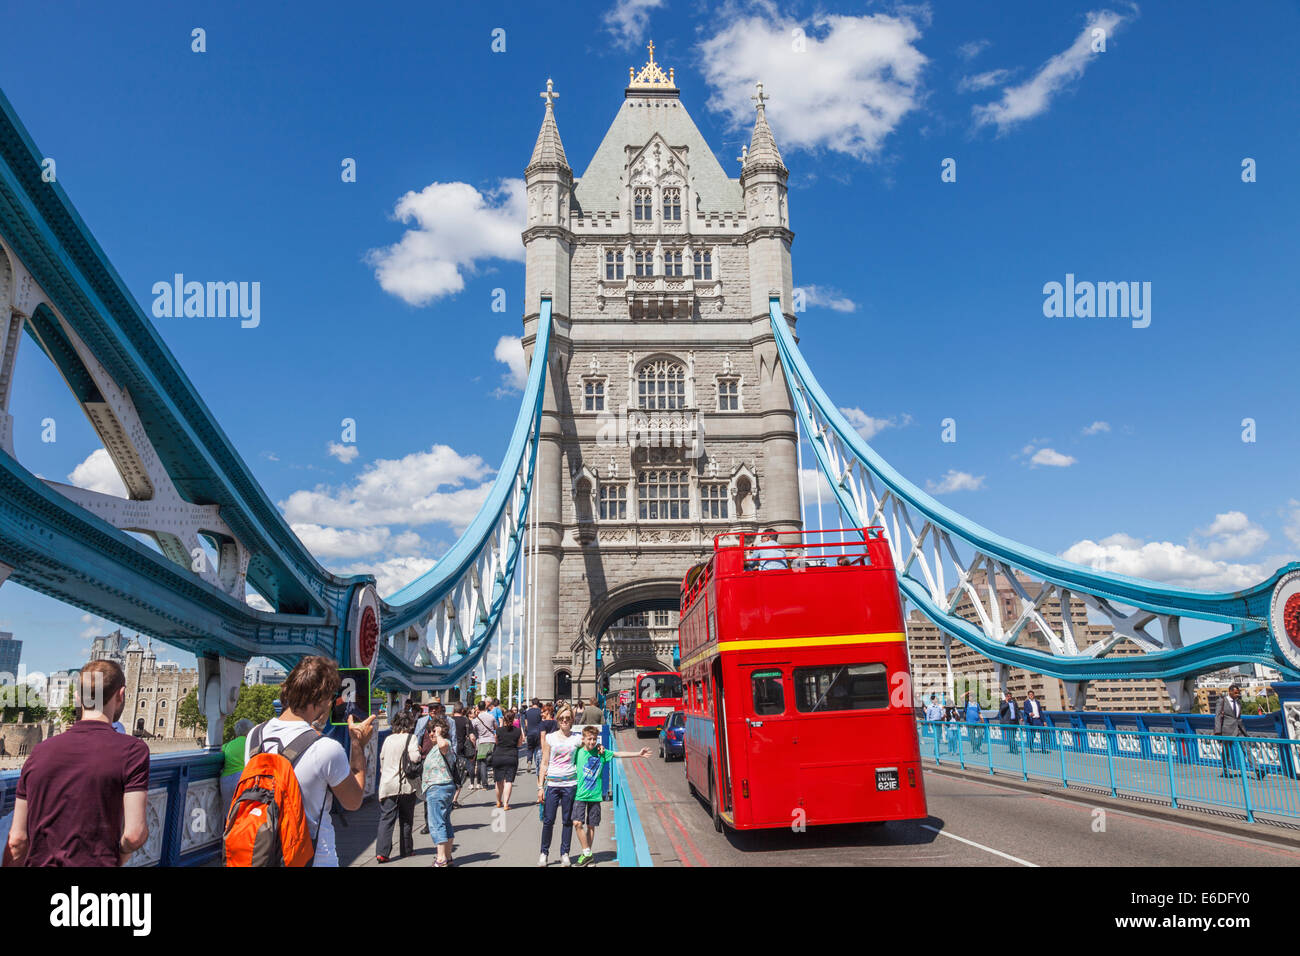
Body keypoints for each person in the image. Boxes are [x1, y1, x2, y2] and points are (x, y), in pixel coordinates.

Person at [7, 660, 150, 866]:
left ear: (77, 697)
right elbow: (134, 834)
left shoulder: (40, 751)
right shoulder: (133, 751)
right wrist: (119, 856)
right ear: (121, 695)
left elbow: (17, 840)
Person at [245, 655, 376, 867]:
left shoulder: (255, 736)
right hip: (312, 857)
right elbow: (353, 801)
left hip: (260, 852)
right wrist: (357, 745)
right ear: (323, 700)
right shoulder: (326, 748)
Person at [571, 724, 650, 866]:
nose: (592, 742)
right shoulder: (577, 751)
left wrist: (638, 754)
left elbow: (618, 754)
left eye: (594, 739)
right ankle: (588, 852)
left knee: (591, 826)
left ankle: (587, 856)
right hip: (580, 794)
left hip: (595, 796)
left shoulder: (601, 752)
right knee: (577, 823)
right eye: (589, 739)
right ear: (583, 739)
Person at [537, 707, 583, 866]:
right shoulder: (550, 738)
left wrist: (600, 748)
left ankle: (565, 853)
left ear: (572, 720)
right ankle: (544, 852)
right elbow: (544, 763)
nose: (565, 720)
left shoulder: (577, 739)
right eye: (562, 718)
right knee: (548, 820)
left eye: (568, 718)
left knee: (567, 821)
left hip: (570, 785)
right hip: (553, 784)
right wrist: (540, 787)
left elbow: (591, 747)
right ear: (557, 719)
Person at [376, 710, 422, 862]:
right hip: (405, 785)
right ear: (409, 723)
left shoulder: (388, 739)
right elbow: (415, 757)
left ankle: (382, 852)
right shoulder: (411, 737)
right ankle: (406, 849)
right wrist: (419, 753)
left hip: (387, 784)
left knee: (386, 819)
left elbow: (382, 759)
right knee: (406, 818)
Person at [420, 715, 457, 866]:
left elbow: (443, 747)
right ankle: (447, 856)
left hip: (438, 787)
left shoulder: (444, 743)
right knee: (444, 821)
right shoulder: (436, 747)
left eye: (432, 731)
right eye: (429, 731)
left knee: (437, 823)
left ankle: (441, 858)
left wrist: (439, 734)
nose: (430, 734)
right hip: (442, 787)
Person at [1215, 684, 1262, 779]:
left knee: (1247, 749)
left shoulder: (1238, 702)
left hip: (1240, 730)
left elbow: (1238, 717)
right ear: (1230, 691)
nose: (1237, 695)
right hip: (1227, 730)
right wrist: (1218, 732)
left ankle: (1258, 770)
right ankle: (1225, 770)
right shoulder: (1222, 701)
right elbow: (1218, 716)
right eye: (1235, 693)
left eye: (1238, 693)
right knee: (1226, 752)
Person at [220, 718, 256, 813]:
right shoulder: (252, 743)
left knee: (229, 812)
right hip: (243, 778)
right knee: (244, 812)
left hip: (226, 780)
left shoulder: (227, 745)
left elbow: (221, 754)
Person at [491, 710, 524, 809]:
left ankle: (498, 801)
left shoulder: (499, 730)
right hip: (511, 756)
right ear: (513, 719)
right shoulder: (517, 731)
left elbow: (496, 742)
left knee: (498, 780)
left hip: (498, 755)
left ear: (504, 719)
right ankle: (506, 804)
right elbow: (519, 744)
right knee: (509, 781)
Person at [450, 701, 474, 806]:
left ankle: (448, 798)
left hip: (449, 750)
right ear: (462, 710)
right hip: (461, 751)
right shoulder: (466, 721)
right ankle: (454, 799)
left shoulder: (448, 720)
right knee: (460, 775)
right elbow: (472, 737)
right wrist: (474, 749)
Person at [471, 702, 498, 790]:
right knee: (494, 762)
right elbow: (495, 727)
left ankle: (485, 784)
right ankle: (497, 780)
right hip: (492, 742)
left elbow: (472, 729)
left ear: (478, 708)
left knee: (483, 764)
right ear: (486, 707)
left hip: (482, 743)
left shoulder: (476, 719)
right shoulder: (491, 717)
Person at [523, 698, 543, 773]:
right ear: (538, 703)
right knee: (538, 748)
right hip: (538, 732)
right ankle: (538, 763)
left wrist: (526, 732)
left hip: (530, 732)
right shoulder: (540, 711)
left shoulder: (527, 712)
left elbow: (526, 724)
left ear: (532, 703)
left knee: (530, 748)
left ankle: (529, 761)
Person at [997, 690, 1020, 754]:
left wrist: (1021, 717)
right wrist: (1007, 703)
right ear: (1006, 697)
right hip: (1008, 722)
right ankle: (1014, 748)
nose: (1009, 697)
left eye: (1010, 696)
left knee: (1013, 736)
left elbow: (1017, 710)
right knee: (1010, 736)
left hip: (1014, 721)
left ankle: (1012, 749)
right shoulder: (1003, 702)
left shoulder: (1014, 702)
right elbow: (1001, 710)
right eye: (1008, 696)